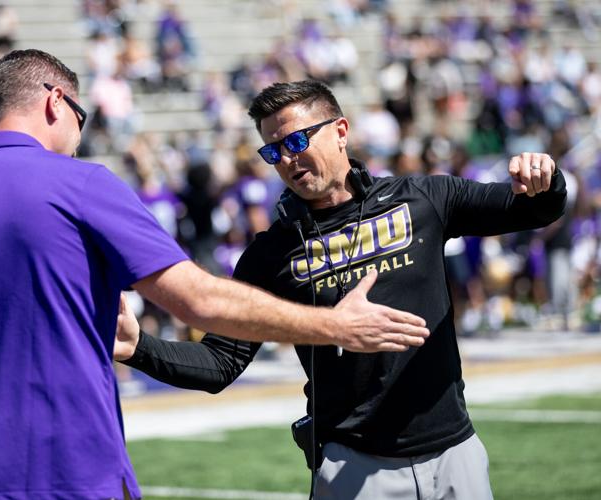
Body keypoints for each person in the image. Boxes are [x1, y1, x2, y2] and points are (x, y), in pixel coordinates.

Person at [0, 52, 429, 499]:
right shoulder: (83, 184)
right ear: (53, 101)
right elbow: (197, 300)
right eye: (80, 114)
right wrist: (333, 325)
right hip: (73, 476)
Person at [114, 80, 567, 499]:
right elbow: (220, 363)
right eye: (273, 152)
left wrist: (545, 179)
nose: (287, 160)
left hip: (455, 453)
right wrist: (138, 348)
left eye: (295, 141)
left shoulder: (423, 197)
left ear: (341, 131)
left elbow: (530, 210)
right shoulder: (272, 252)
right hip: (353, 463)